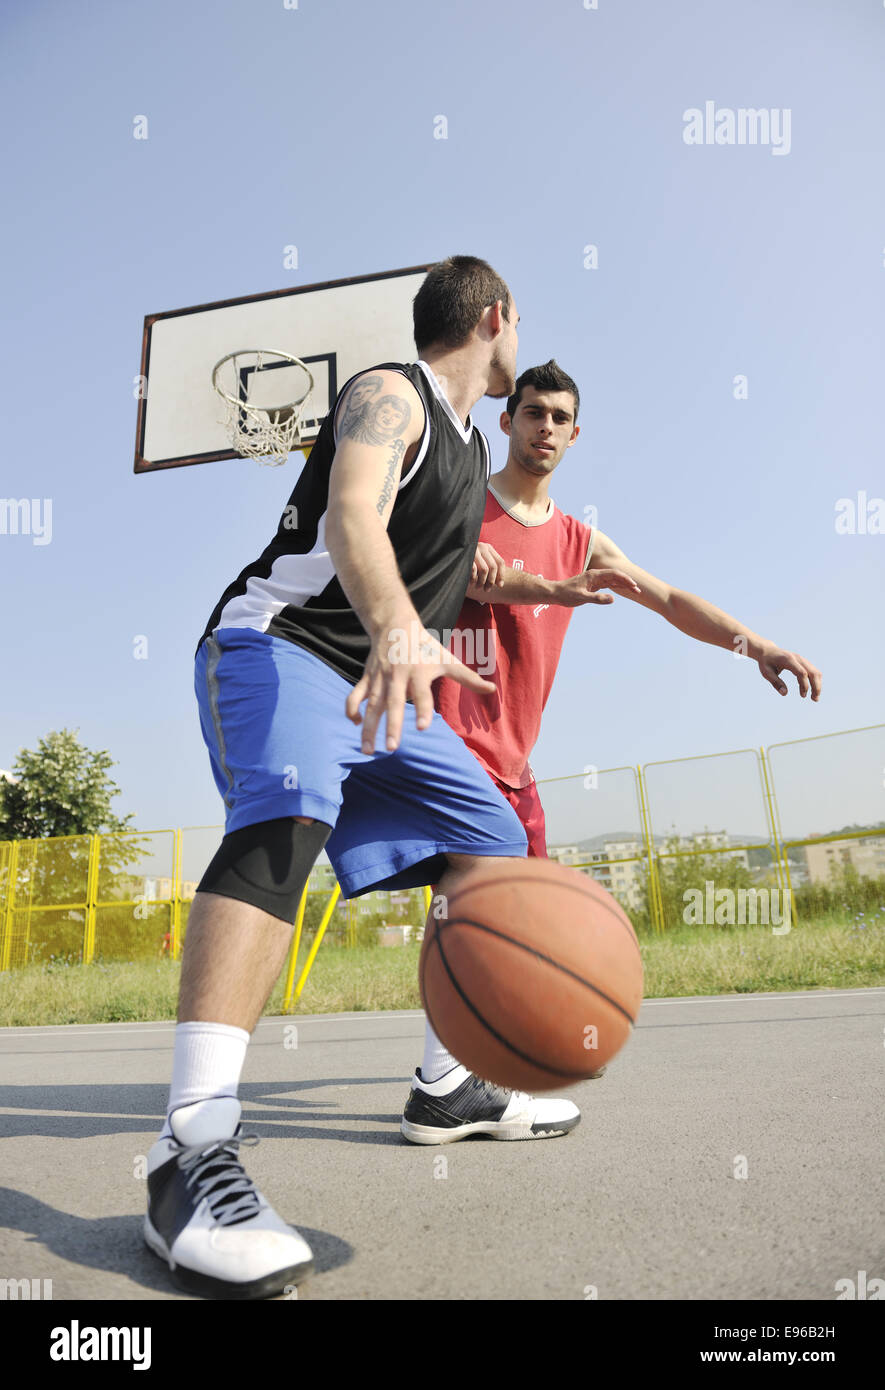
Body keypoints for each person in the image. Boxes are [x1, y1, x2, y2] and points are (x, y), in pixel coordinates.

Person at [143, 260, 596, 1303]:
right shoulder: (389, 394)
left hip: (381, 687)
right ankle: (189, 1152)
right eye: (518, 322)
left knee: (492, 835)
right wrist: (398, 625)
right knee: (288, 806)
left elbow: (466, 566)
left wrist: (545, 586)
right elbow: (353, 513)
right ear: (496, 319)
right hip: (286, 645)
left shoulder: (474, 451)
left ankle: (446, 1086)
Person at [434, 358, 822, 865]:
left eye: (559, 417)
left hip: (514, 762)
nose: (545, 426)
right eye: (533, 413)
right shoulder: (460, 506)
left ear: (574, 435)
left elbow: (668, 599)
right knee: (483, 901)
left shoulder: (581, 540)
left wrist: (756, 646)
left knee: (509, 920)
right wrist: (534, 581)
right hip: (449, 744)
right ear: (507, 423)